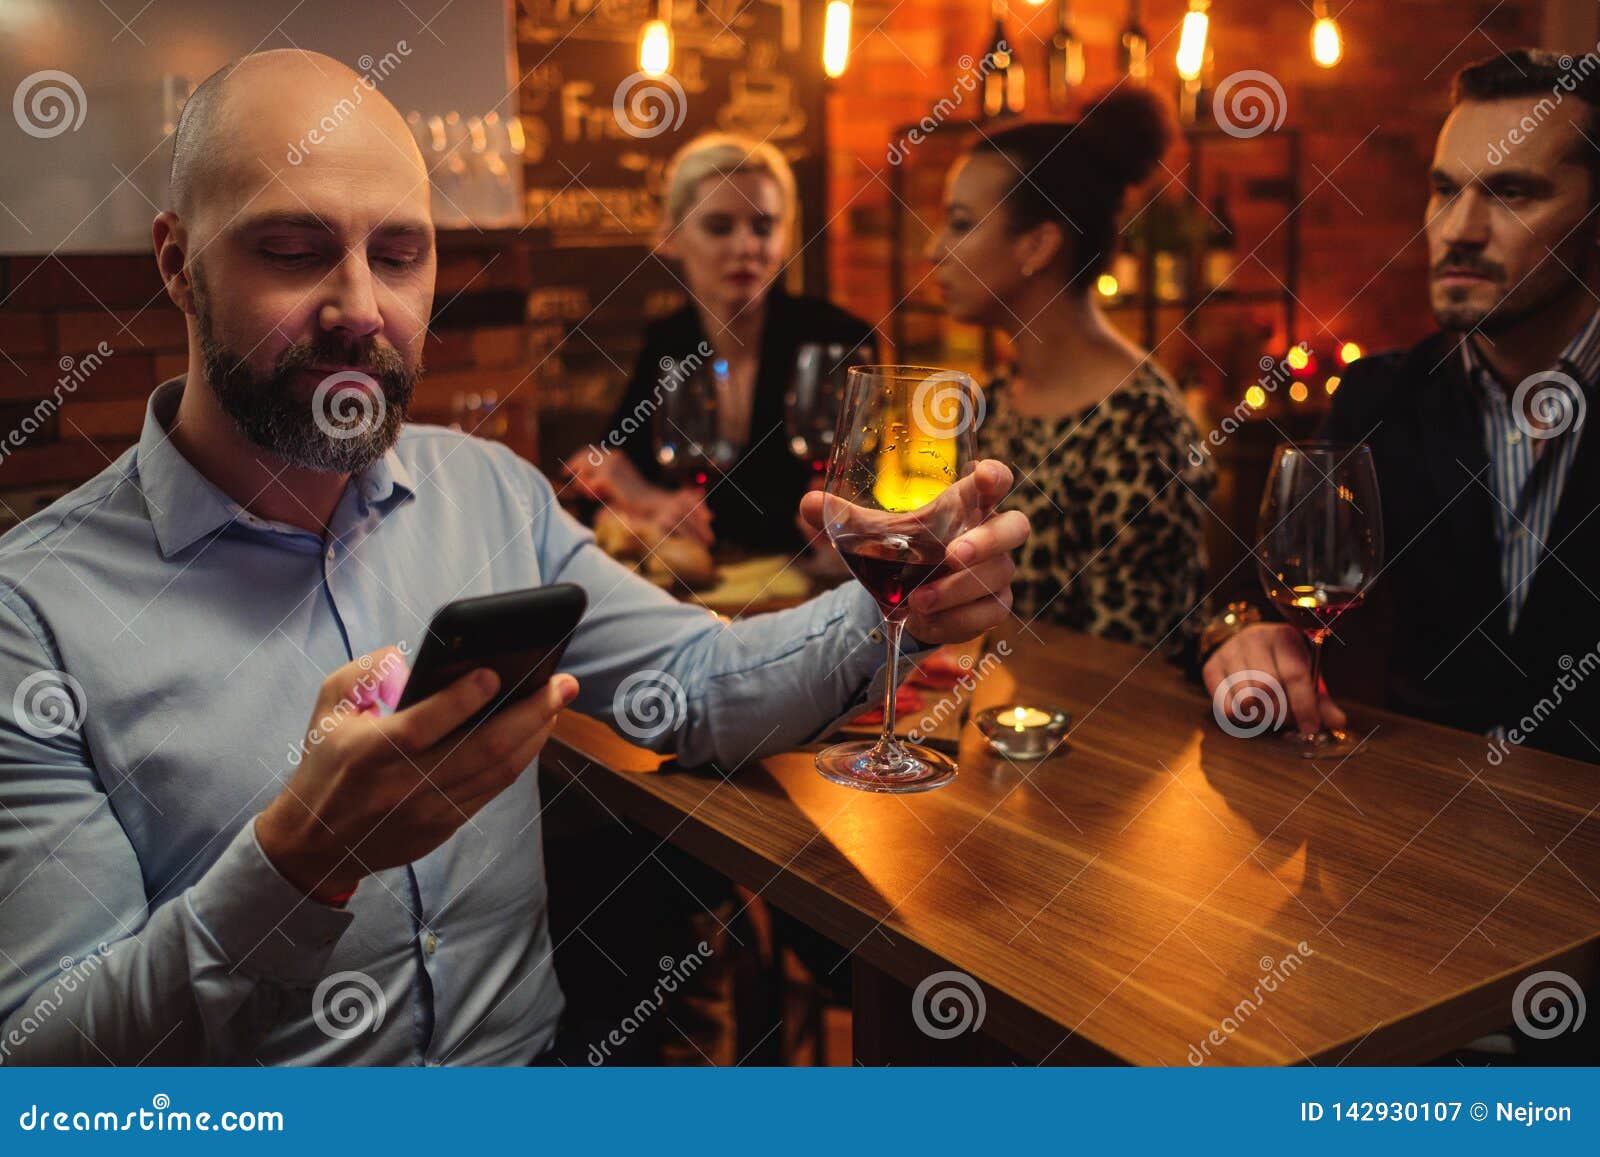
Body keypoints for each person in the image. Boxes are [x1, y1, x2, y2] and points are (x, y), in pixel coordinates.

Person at [0, 50, 1028, 1065]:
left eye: (399, 255)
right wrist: (297, 862)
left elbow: (696, 682)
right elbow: (47, 1073)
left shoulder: (485, 491)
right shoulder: (35, 616)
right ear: (177, 262)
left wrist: (898, 601)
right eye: (291, 247)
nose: (360, 305)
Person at [1203, 49, 1600, 768]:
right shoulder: (1381, 395)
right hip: (1419, 824)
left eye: (1511, 193)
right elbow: (1251, 596)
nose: (1459, 230)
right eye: (1445, 191)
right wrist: (1239, 637)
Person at [925, 89, 1213, 654]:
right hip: (984, 719)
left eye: (960, 224)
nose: (935, 248)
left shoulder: (1140, 424)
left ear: (1038, 243)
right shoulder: (994, 400)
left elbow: (1131, 661)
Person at [563, 133, 875, 553]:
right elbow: (600, 473)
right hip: (712, 600)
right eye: (719, 227)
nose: (746, 247)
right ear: (673, 236)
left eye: (763, 227)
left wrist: (647, 500)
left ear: (785, 239)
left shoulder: (835, 340)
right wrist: (647, 500)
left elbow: (880, 499)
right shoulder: (670, 342)